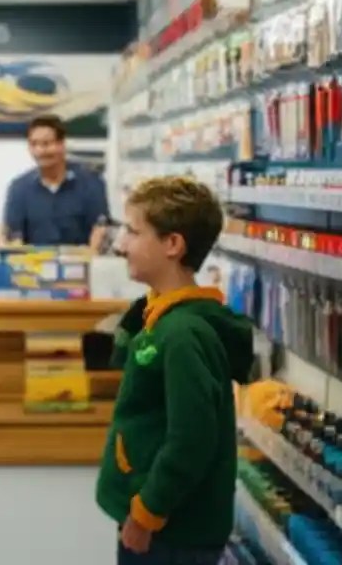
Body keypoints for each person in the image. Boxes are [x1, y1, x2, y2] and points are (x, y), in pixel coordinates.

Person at [95, 176, 254, 565]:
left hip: (170, 531)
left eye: (133, 232)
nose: (120, 244)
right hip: (160, 521)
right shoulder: (162, 318)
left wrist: (147, 512)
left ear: (172, 244)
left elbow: (192, 438)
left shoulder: (184, 334)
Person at [2, 114, 110, 247]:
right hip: (33, 265)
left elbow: (99, 230)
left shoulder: (91, 183)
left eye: (46, 144)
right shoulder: (18, 188)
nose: (40, 151)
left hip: (80, 263)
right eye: (34, 144)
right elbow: (13, 237)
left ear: (62, 144)